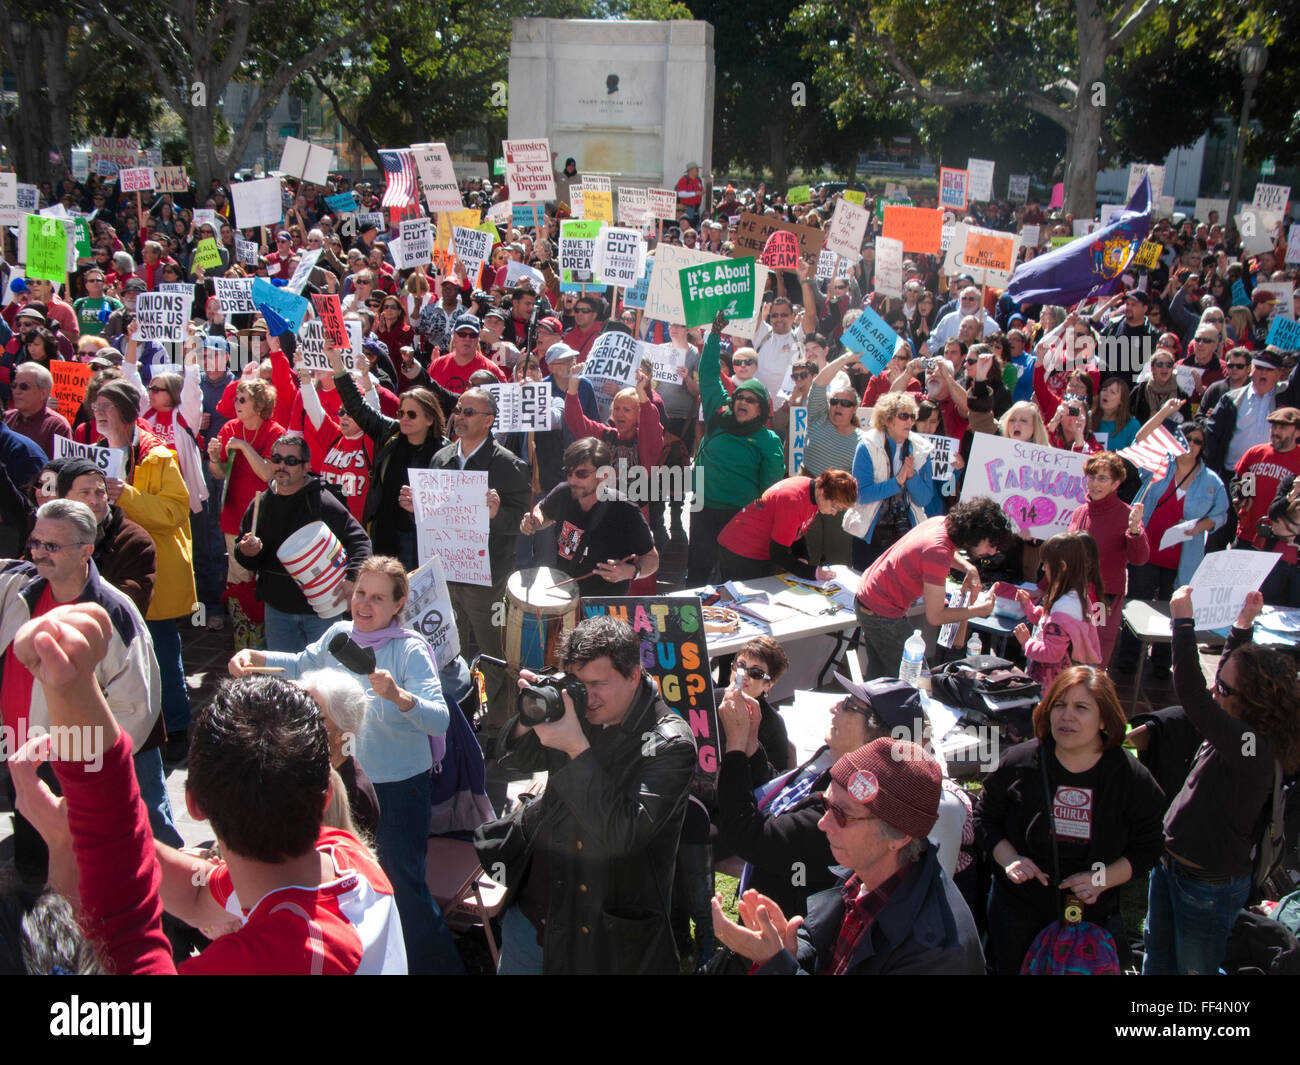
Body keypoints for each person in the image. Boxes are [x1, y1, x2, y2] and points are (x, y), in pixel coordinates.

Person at [11, 604, 406, 974]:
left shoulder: (268, 961)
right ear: (325, 798)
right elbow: (198, 893)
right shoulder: (346, 860)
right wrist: (86, 820)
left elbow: (119, 971)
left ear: (194, 804)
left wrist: (67, 848)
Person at [230, 556, 463, 974]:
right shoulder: (338, 636)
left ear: (399, 604)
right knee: (352, 884)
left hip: (398, 790)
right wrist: (255, 656)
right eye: (359, 593)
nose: (364, 604)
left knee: (402, 889)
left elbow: (439, 718)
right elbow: (301, 663)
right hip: (346, 784)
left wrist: (398, 696)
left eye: (377, 597)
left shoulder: (408, 650)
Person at [493, 615, 697, 974]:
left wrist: (576, 749)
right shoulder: (580, 704)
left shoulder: (671, 743)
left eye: (597, 683)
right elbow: (512, 759)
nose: (588, 696)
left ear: (634, 675)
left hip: (602, 938)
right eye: (578, 683)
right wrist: (533, 711)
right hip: (536, 914)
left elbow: (623, 833)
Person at [0, 501, 178, 869]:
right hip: (18, 755)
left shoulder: (114, 611)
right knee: (32, 868)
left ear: (86, 550)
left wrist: (87, 767)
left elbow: (136, 709)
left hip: (73, 767)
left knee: (79, 872)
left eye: (52, 546)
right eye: (35, 542)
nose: (38, 553)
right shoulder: (19, 587)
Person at [711, 737, 985, 975]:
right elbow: (824, 951)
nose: (823, 823)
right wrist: (790, 948)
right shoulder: (863, 874)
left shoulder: (936, 953)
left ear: (899, 836)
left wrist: (777, 964)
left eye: (841, 814)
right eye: (826, 805)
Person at [1144, 588, 1300, 975]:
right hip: (1171, 867)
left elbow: (1195, 697)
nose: (1217, 692)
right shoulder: (1246, 731)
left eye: (1224, 691)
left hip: (1206, 889)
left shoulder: (1251, 746)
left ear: (1253, 700)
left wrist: (1182, 624)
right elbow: (1226, 678)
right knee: (1157, 958)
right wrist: (1242, 626)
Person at [974, 667, 1165, 974]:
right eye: (1059, 705)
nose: (1066, 716)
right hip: (1017, 913)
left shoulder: (1130, 778)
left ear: (1104, 719)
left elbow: (1150, 846)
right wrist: (1009, 859)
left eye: (1081, 707)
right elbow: (984, 818)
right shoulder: (1018, 762)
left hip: (1091, 918)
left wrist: (1101, 880)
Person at [92, 380, 196, 758]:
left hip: (153, 576)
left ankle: (178, 726)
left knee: (162, 655)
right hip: (111, 570)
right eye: (96, 405)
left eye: (106, 405)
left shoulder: (159, 457)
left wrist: (128, 495)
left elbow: (174, 512)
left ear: (124, 411)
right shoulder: (95, 454)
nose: (99, 411)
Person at [426, 386, 530, 726]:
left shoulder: (509, 465)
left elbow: (523, 524)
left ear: (488, 421)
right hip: (446, 574)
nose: (459, 417)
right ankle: (456, 718)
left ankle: (498, 726)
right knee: (447, 652)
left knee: (491, 656)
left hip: (486, 577)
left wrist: (497, 515)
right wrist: (419, 508)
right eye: (458, 409)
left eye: (469, 412)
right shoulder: (441, 459)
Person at [231, 431, 372, 650]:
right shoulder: (261, 503)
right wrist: (247, 551)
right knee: (285, 678)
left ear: (306, 466)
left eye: (290, 461)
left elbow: (360, 541)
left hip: (321, 611)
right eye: (276, 459)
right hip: (277, 609)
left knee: (324, 679)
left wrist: (352, 578)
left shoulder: (321, 501)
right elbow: (244, 555)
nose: (281, 466)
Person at [1115, 417, 1227, 674]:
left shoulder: (1211, 481)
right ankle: (1128, 660)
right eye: (1187, 439)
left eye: (1197, 441)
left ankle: (1163, 663)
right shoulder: (1159, 466)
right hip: (1146, 552)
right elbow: (1140, 440)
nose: (1191, 445)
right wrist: (1164, 412)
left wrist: (1201, 526)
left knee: (1173, 610)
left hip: (1182, 559)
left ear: (1203, 447)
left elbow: (1222, 515)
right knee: (1136, 605)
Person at [854, 498, 1011, 680]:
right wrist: (980, 610)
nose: (992, 552)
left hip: (872, 598)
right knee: (918, 679)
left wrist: (969, 568)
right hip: (881, 608)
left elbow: (944, 552)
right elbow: (935, 616)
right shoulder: (937, 551)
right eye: (991, 545)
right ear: (977, 534)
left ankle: (870, 705)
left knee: (881, 677)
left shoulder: (941, 523)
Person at [687, 312, 785, 584]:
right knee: (698, 570)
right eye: (739, 396)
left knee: (735, 578)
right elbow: (707, 373)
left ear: (762, 409)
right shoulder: (718, 414)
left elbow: (769, 489)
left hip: (740, 515)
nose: (742, 401)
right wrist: (714, 334)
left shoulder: (768, 441)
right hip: (703, 507)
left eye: (751, 400)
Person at [519, 437, 658, 596]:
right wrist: (535, 520)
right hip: (564, 596)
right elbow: (543, 510)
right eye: (568, 472)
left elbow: (651, 558)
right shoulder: (563, 492)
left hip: (604, 604)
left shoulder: (626, 510)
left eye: (582, 473)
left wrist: (633, 571)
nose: (572, 480)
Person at [1067, 451, 1149, 666]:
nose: (1094, 483)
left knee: (1094, 650)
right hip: (1073, 593)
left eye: (1102, 478)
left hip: (1103, 598)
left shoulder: (1127, 514)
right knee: (1068, 646)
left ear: (1115, 484)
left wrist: (1134, 530)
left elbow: (1140, 558)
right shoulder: (1079, 512)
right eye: (1092, 477)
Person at [55, 458, 156, 616]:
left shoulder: (134, 540)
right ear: (64, 499)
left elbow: (129, 604)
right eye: (84, 493)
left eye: (100, 492)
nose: (94, 501)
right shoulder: (46, 535)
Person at [717, 470, 857, 581]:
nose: (834, 513)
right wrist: (813, 572)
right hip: (740, 552)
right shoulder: (793, 500)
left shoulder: (812, 491)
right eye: (835, 506)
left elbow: (797, 530)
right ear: (824, 492)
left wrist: (801, 556)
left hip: (759, 551)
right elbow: (778, 553)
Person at [849, 392, 936, 570]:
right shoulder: (867, 445)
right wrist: (896, 482)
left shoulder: (922, 449)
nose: (910, 422)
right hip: (870, 533)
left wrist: (911, 477)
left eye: (912, 417)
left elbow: (924, 499)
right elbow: (862, 495)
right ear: (887, 420)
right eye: (904, 416)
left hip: (905, 533)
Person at [1013, 532, 1104, 689]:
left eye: (1046, 563)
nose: (1043, 568)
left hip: (1052, 685)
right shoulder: (1075, 595)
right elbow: (1049, 623)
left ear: (1062, 566)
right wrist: (1028, 607)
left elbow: (1052, 653)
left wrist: (1027, 643)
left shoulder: (1065, 607)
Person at [3, 363, 71, 458]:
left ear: (43, 393)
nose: (16, 391)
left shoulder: (57, 426)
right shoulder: (5, 419)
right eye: (14, 386)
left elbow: (60, 468)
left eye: (24, 387)